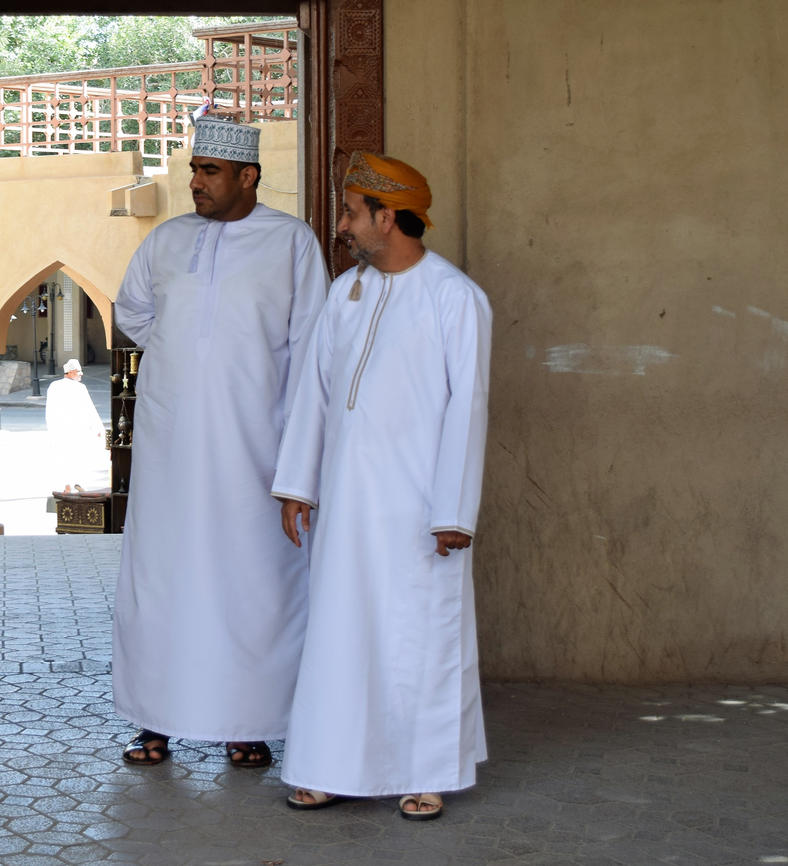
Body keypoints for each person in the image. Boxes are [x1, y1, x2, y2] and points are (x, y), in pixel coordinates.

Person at [272, 153, 491, 819]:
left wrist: (454, 511)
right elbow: (314, 393)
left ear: (387, 217)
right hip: (346, 504)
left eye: (350, 213)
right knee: (340, 637)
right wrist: (298, 484)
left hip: (419, 510)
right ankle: (329, 766)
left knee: (418, 638)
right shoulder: (346, 293)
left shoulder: (454, 296)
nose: (341, 226)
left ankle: (425, 772)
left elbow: (469, 407)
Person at [111, 116, 330, 768]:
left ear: (248, 176)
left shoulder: (291, 243)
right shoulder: (167, 240)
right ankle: (154, 722)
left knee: (253, 584)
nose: (196, 182)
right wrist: (185, 364)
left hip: (254, 450)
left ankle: (248, 722)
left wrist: (296, 451)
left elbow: (312, 345)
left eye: (210, 171)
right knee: (162, 581)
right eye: (194, 170)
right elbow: (132, 311)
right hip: (170, 451)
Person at [44, 358, 107, 494]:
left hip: (60, 430)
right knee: (79, 457)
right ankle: (77, 483)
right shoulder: (79, 388)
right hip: (77, 430)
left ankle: (67, 484)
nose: (81, 374)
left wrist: (52, 428)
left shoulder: (54, 386)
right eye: (79, 372)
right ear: (71, 372)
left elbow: (50, 410)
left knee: (64, 458)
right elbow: (89, 409)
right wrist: (97, 427)